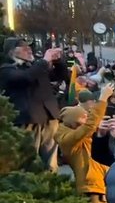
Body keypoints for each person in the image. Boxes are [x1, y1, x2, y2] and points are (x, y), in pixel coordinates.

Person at [0, 38, 69, 170]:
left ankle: (50, 184)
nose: (29, 49)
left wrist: (57, 61)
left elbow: (61, 75)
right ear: (11, 52)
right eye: (24, 47)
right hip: (28, 119)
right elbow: (26, 78)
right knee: (30, 159)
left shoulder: (35, 66)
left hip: (49, 116)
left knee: (50, 162)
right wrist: (44, 61)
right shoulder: (6, 70)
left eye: (29, 46)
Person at [55, 94, 112, 203]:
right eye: (84, 117)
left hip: (102, 184)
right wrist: (102, 99)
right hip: (90, 187)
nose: (87, 120)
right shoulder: (67, 140)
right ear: (73, 121)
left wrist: (101, 135)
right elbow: (89, 126)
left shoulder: (81, 137)